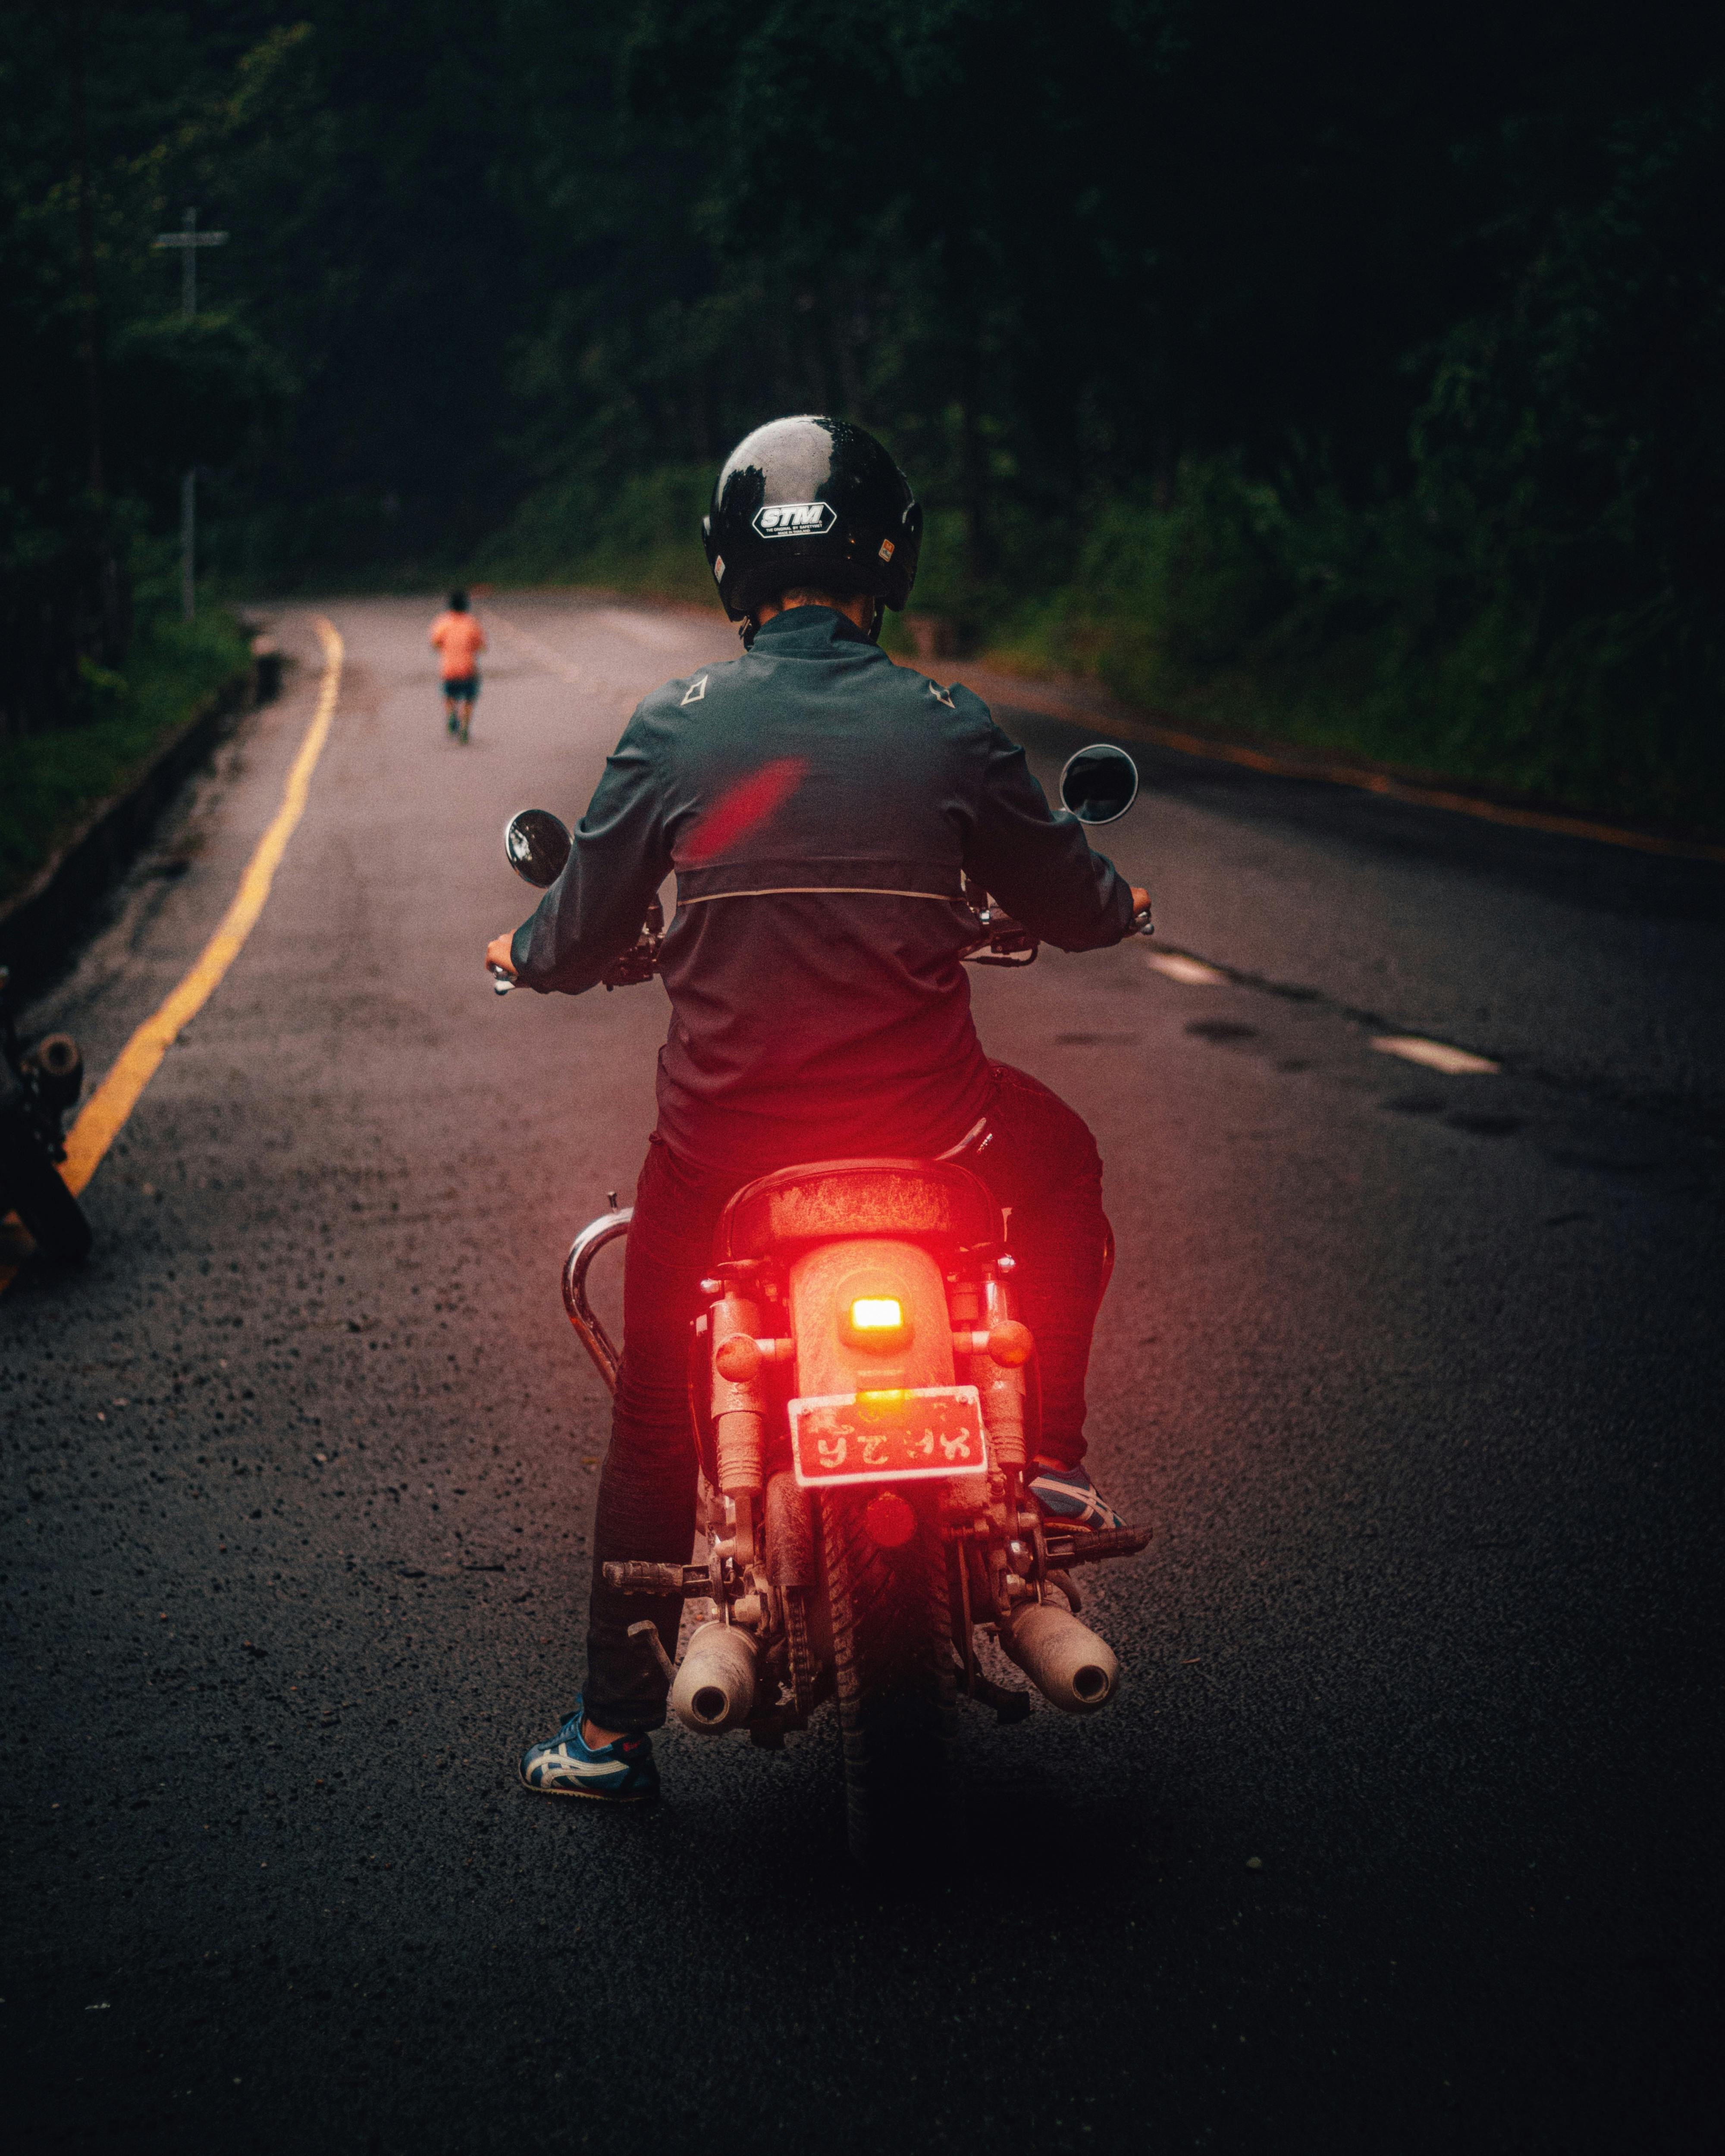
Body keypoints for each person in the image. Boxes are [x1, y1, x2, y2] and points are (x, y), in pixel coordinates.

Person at [486, 416, 1151, 1805]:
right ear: (887, 558)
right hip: (937, 1143)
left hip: (724, 1152)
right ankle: (1053, 1464)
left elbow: (569, 931)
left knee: (662, 1419)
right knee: (1065, 1159)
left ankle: (610, 1734)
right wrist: (1116, 901)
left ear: (734, 565)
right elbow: (1068, 900)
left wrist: (524, 952)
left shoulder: (671, 727)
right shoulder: (949, 726)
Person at [430, 589, 486, 741]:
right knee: (469, 697)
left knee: (449, 695)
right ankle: (465, 728)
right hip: (468, 668)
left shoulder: (442, 623)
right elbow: (481, 647)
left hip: (448, 669)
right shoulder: (471, 623)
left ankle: (452, 714)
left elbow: (435, 644)